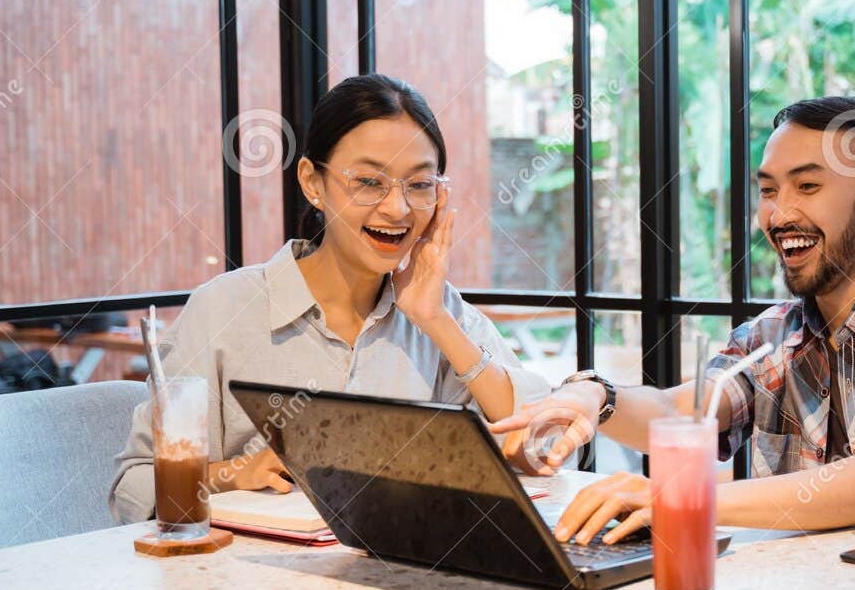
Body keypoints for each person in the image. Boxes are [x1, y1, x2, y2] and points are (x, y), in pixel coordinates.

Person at [489, 95, 855, 543]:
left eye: (807, 187)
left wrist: (684, 497)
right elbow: (680, 411)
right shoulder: (771, 336)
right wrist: (596, 396)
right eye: (768, 190)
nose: (779, 215)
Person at [110, 73, 550, 522]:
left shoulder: (441, 311)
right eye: (368, 182)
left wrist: (435, 321)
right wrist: (233, 473)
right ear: (312, 182)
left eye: (419, 185)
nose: (397, 209)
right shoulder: (224, 309)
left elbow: (545, 446)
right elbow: (133, 490)